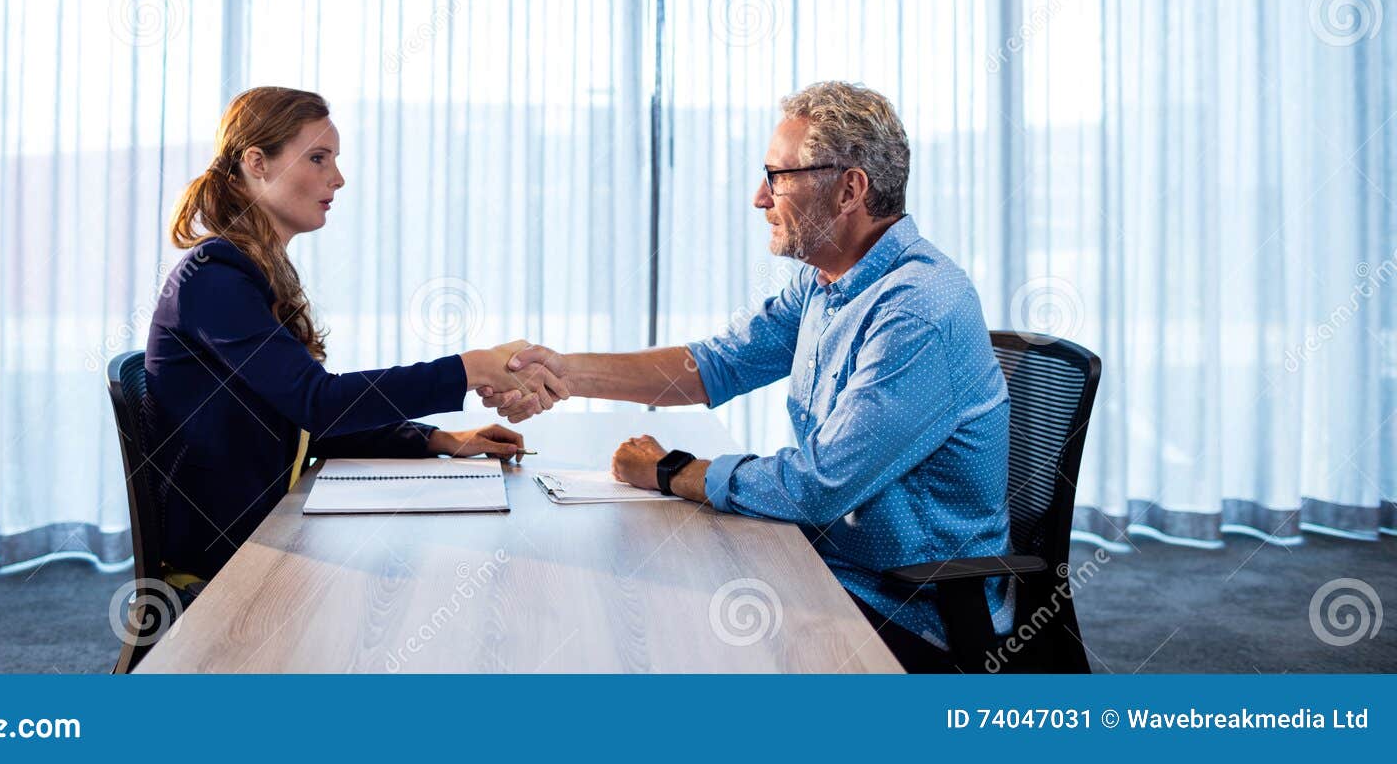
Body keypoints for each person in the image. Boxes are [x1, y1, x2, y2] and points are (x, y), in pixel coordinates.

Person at [482, 81, 1013, 672]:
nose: (759, 197)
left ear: (850, 189)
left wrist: (670, 470)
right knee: (640, 598)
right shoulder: (829, 281)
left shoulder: (918, 309)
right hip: (827, 561)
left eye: (778, 176)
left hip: (907, 607)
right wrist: (563, 372)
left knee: (664, 629)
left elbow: (818, 486)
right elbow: (713, 365)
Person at [143, 87, 566, 584]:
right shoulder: (214, 277)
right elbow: (317, 402)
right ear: (257, 162)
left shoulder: (249, 271)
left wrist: (440, 440)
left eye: (335, 160)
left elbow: (301, 420)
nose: (337, 179)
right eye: (318, 158)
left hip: (264, 531)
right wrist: (469, 369)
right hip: (231, 561)